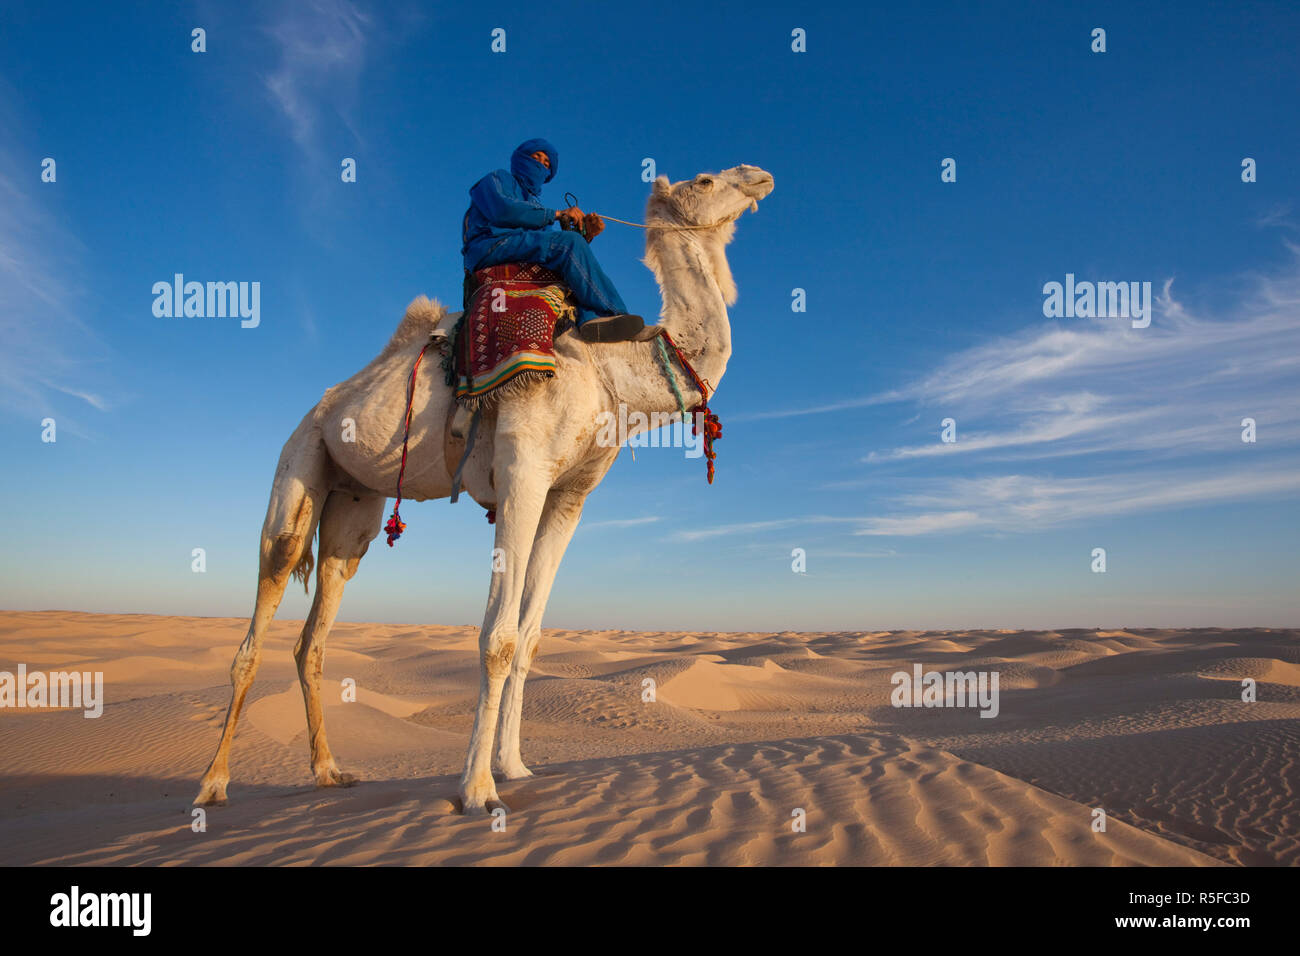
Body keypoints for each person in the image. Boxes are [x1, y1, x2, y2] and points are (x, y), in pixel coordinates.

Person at [461, 138, 650, 342]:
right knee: (568, 244)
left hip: (517, 245)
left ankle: (591, 320)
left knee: (569, 258)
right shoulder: (497, 179)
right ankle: (614, 313)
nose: (541, 165)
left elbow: (552, 246)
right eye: (536, 157)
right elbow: (503, 210)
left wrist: (587, 235)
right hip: (491, 244)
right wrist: (558, 214)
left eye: (546, 164)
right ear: (522, 158)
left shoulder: (535, 205)